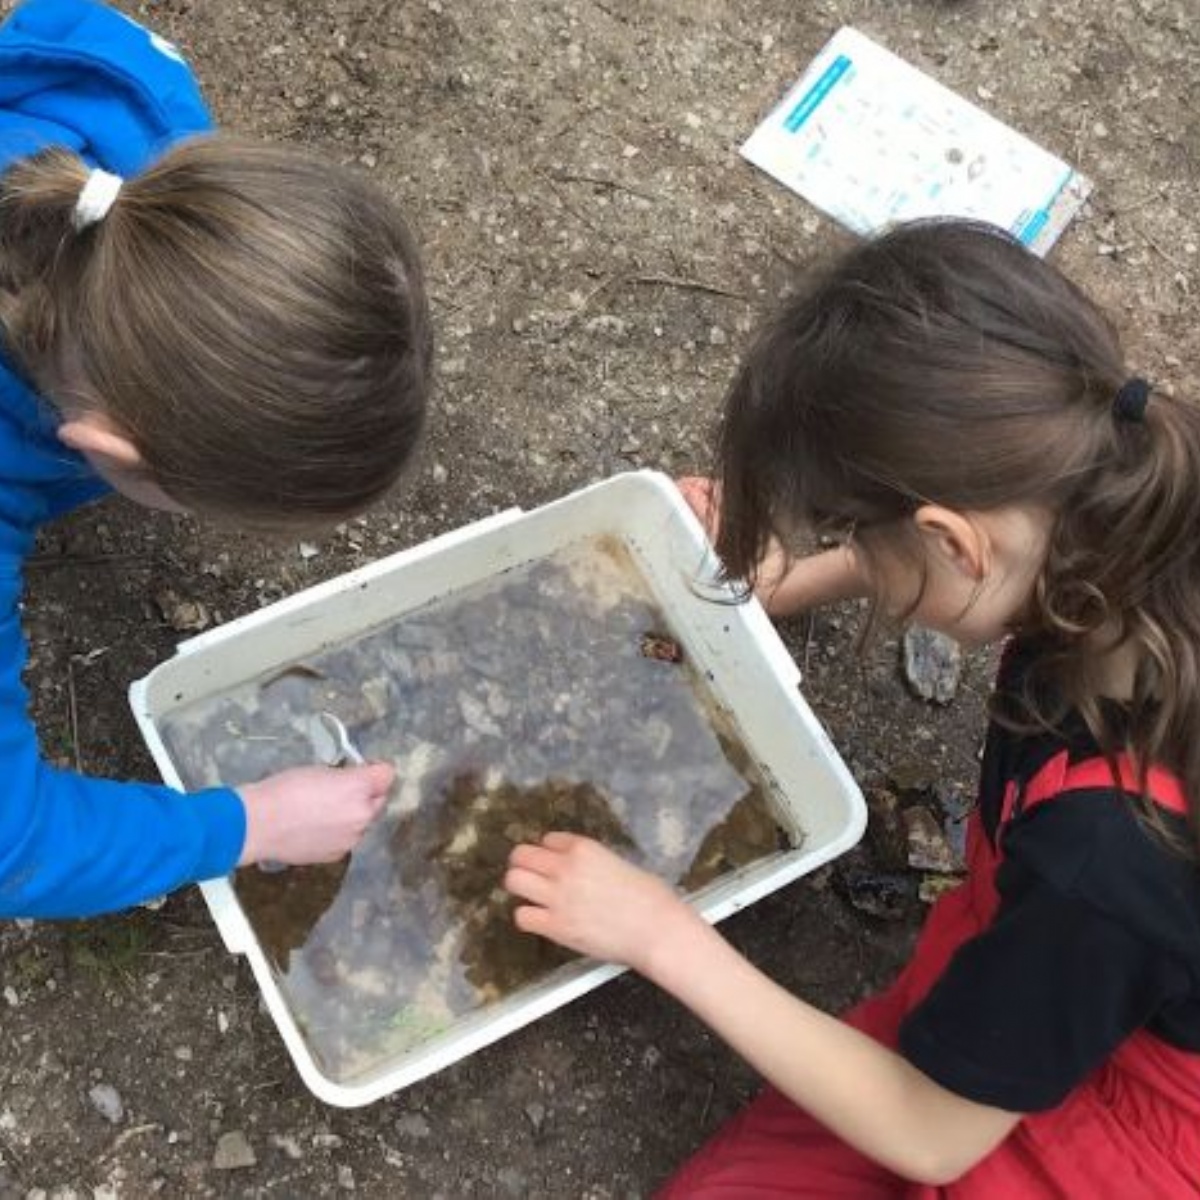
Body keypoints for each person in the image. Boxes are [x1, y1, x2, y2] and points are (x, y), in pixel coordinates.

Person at [505, 220, 1200, 1196]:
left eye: (848, 534)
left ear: (954, 543)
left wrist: (661, 935)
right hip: (1086, 972)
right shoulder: (1131, 503)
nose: (852, 560)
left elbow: (930, 1134)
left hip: (1141, 1125)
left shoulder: (1104, 858)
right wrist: (806, 573)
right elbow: (969, 548)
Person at [0, 0, 431, 918]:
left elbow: (61, 20)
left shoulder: (155, 146)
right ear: (107, 448)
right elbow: (14, 845)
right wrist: (247, 825)